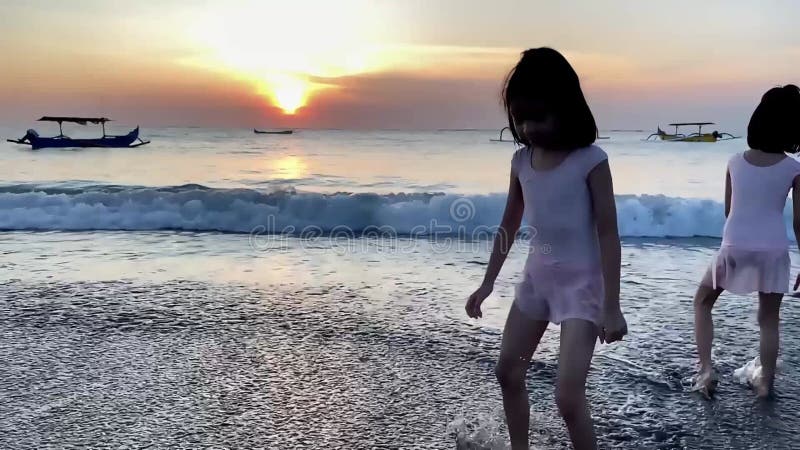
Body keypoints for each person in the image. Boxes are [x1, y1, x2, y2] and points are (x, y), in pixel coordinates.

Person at [465, 47, 627, 450]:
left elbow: (608, 231)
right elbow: (509, 224)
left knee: (568, 397)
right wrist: (487, 284)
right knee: (507, 371)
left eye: (538, 116)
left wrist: (612, 305)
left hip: (582, 288)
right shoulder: (522, 161)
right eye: (521, 118)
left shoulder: (590, 160)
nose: (529, 126)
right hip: (537, 281)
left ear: (565, 107)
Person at [693, 84, 800, 399]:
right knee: (768, 319)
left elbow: (730, 212)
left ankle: (706, 371)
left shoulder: (734, 161)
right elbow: (799, 221)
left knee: (702, 302)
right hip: (773, 249)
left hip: (735, 244)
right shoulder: (794, 168)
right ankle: (765, 383)